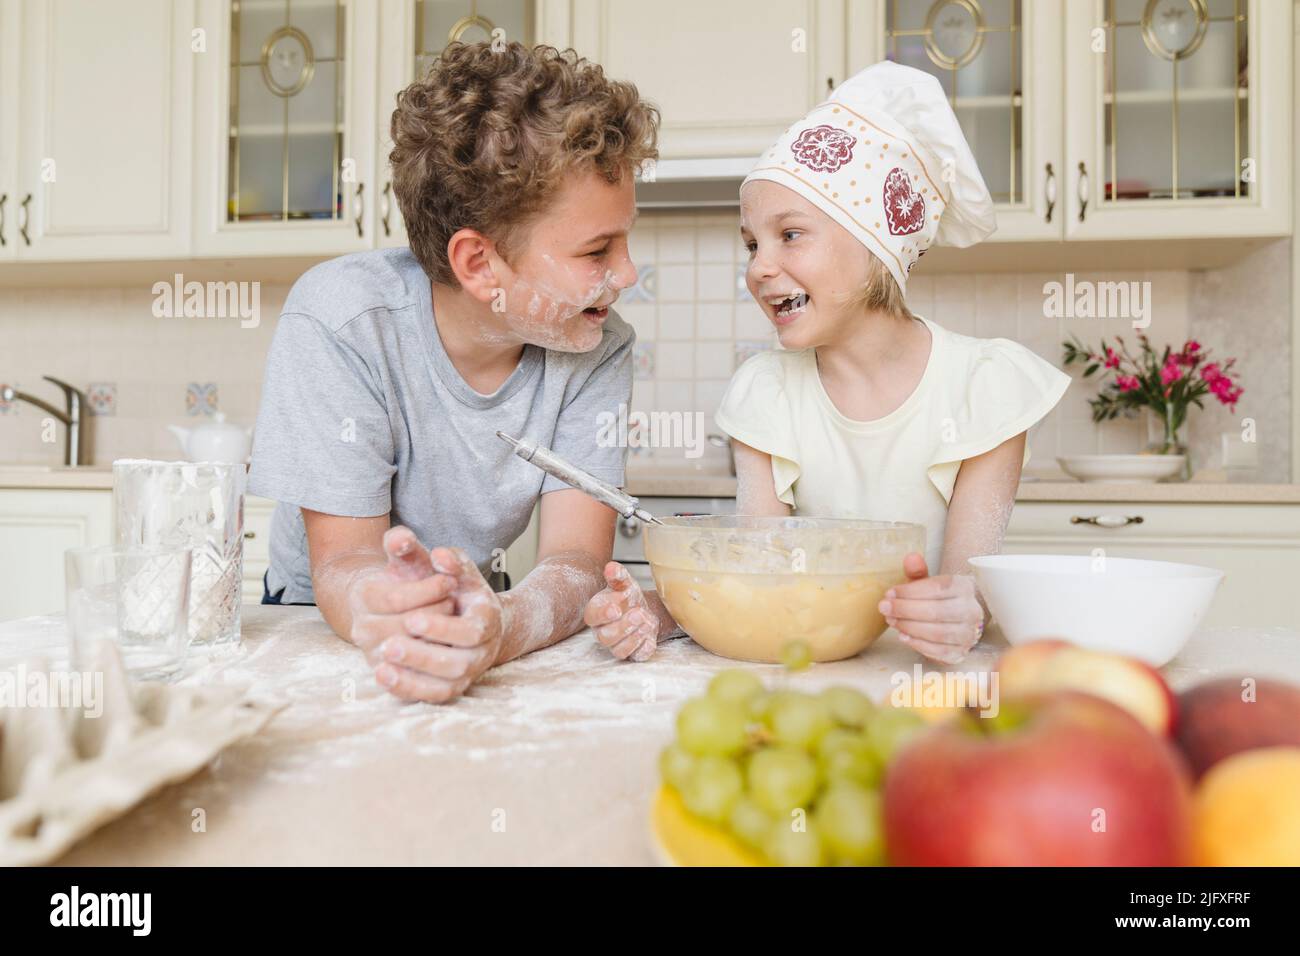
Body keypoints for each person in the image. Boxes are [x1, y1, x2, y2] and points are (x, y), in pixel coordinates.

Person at [585, 61, 1070, 666]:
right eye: (752, 244)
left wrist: (963, 609)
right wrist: (661, 614)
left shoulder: (984, 389)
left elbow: (967, 595)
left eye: (790, 234)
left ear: (876, 247)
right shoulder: (766, 393)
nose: (759, 267)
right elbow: (758, 584)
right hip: (807, 670)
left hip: (923, 683)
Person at [248, 42, 659, 702]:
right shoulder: (342, 320)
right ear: (477, 264)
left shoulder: (596, 345)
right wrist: (395, 611)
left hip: (480, 621)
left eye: (626, 238)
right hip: (320, 630)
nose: (629, 272)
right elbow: (347, 565)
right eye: (596, 249)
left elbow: (575, 562)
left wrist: (499, 628)